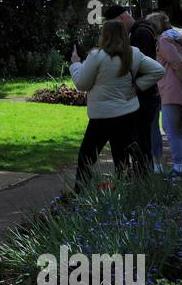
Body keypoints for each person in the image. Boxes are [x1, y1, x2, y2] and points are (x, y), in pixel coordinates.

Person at [69, 19, 164, 189]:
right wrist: (138, 86)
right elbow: (158, 70)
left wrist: (75, 64)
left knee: (87, 156)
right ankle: (124, 194)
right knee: (121, 157)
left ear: (105, 35)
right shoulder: (134, 53)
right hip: (127, 114)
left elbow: (82, 84)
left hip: (102, 116)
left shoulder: (97, 56)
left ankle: (80, 193)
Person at [104, 5, 162, 172]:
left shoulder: (140, 33)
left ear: (121, 18)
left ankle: (143, 181)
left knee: (140, 143)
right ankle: (143, 178)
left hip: (143, 98)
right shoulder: (140, 31)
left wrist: (135, 86)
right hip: (145, 96)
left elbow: (145, 68)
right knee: (140, 141)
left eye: (114, 25)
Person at [146, 12, 182, 177]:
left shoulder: (164, 41)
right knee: (176, 130)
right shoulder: (180, 40)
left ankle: (178, 167)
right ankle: (181, 164)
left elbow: (178, 64)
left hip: (172, 90)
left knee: (171, 130)